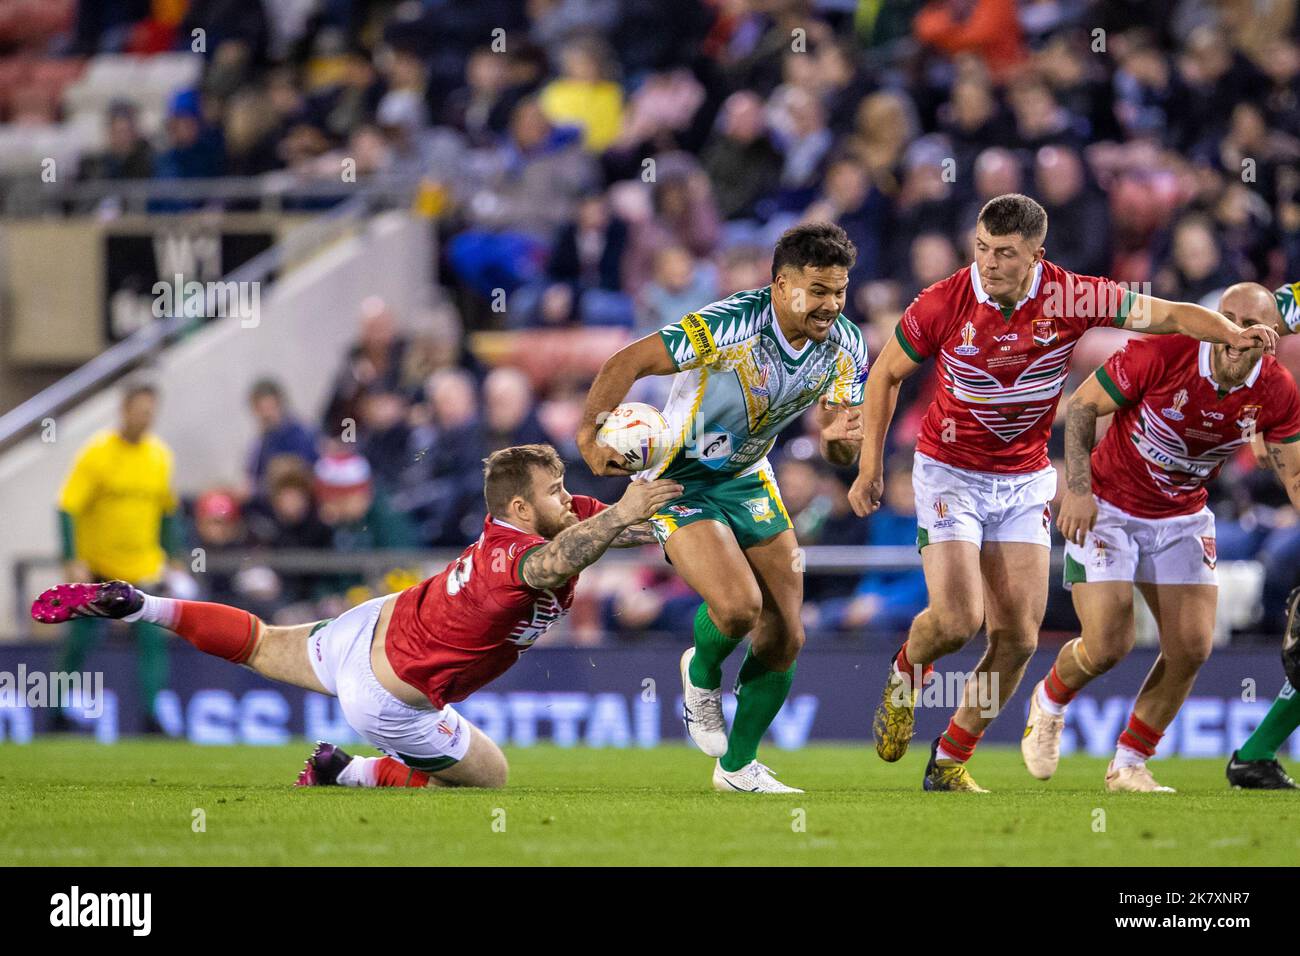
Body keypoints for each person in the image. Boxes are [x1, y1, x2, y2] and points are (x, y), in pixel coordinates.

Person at [848, 193, 1279, 791]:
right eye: (981, 249)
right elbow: (887, 373)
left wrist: (1233, 332)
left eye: (1004, 253)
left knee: (1020, 637)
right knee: (956, 620)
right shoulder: (945, 299)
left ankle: (949, 761)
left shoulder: (1072, 295)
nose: (988, 263)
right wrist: (870, 466)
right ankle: (905, 675)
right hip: (950, 471)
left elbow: (1174, 315)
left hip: (1024, 479)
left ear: (1036, 257)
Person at [32, 445, 682, 790]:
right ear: (518, 508)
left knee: (259, 641)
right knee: (490, 776)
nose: (568, 500)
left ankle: (142, 604)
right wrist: (626, 515)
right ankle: (351, 770)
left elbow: (602, 531)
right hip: (390, 698)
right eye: (554, 492)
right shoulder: (514, 555)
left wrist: (676, 512)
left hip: (370, 626)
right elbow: (559, 560)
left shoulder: (535, 523)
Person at [578, 222, 869, 793]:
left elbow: (839, 449)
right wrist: (590, 440)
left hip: (747, 475)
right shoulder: (727, 324)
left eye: (840, 291)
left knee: (787, 634)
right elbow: (626, 362)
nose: (831, 305)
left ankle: (736, 769)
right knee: (737, 609)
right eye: (818, 290)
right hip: (677, 478)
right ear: (782, 285)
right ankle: (701, 671)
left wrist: (840, 440)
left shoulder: (848, 346)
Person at [1025, 283, 1300, 791]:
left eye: (1250, 325)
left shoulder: (1278, 389)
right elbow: (1082, 407)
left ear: (1274, 336)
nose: (1235, 334)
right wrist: (1078, 492)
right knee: (1109, 645)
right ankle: (1049, 700)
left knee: (1192, 647)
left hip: (1182, 517)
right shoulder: (1165, 349)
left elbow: (1296, 478)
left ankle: (1129, 761)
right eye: (1227, 319)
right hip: (1107, 507)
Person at [54, 381, 184, 733]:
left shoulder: (159, 456)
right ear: (124, 409)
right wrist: (71, 556)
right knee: (80, 639)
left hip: (141, 567)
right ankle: (55, 710)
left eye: (150, 411)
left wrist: (173, 555)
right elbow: (67, 506)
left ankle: (152, 715)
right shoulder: (97, 453)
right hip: (98, 565)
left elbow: (167, 511)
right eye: (140, 410)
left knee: (152, 638)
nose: (146, 417)